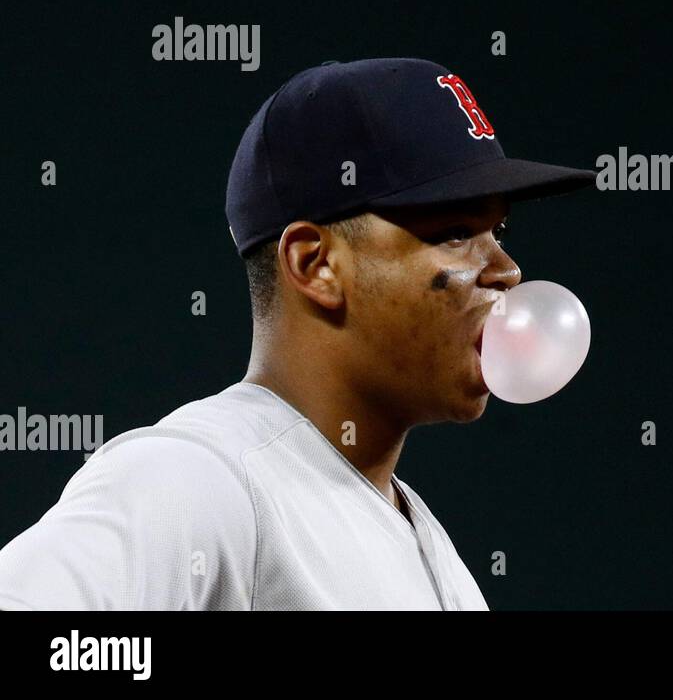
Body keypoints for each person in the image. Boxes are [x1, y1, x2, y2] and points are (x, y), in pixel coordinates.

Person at [0, 57, 594, 609]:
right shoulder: (199, 478)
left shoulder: (433, 552)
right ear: (316, 265)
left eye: (499, 230)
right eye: (456, 231)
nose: (506, 270)